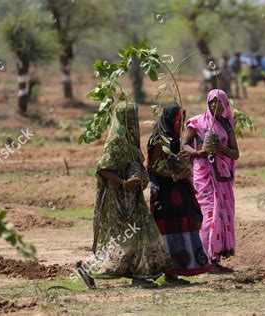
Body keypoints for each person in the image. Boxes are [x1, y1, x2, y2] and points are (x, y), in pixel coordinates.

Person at [76, 102, 172, 289]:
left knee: (143, 233)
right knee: (123, 239)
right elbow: (103, 169)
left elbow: (134, 165)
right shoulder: (117, 141)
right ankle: (89, 269)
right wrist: (123, 183)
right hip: (118, 201)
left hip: (133, 199)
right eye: (131, 117)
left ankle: (140, 275)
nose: (134, 122)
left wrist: (141, 179)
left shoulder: (130, 141)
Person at [147, 104, 214, 283]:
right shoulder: (159, 140)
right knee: (168, 231)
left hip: (179, 192)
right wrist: (175, 175)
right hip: (165, 194)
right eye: (178, 120)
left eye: (182, 120)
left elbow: (175, 161)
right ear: (170, 120)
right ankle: (169, 272)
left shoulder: (174, 139)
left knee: (181, 228)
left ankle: (177, 270)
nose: (181, 124)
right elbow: (154, 167)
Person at [183, 89, 239, 272]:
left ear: (225, 104)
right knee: (208, 215)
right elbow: (184, 146)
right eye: (212, 102)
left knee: (222, 214)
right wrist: (198, 152)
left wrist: (221, 148)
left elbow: (235, 153)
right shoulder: (197, 122)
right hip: (203, 174)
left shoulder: (228, 125)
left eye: (219, 102)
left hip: (223, 177)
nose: (215, 105)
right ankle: (204, 260)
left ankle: (214, 260)